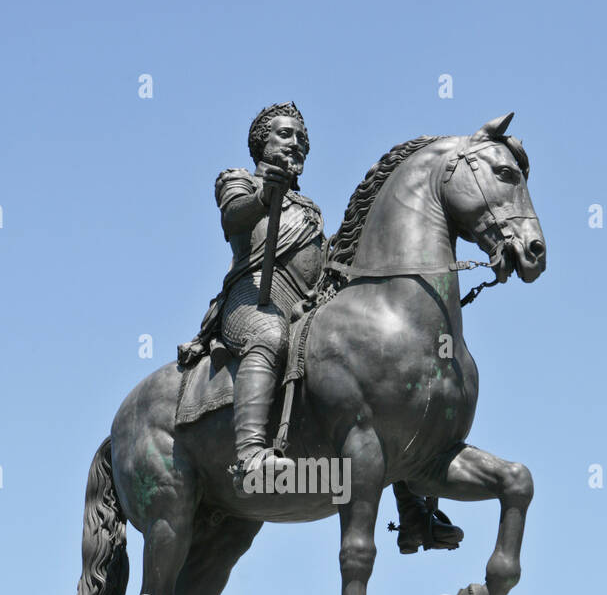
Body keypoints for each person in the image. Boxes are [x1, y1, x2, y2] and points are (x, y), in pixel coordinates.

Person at [178, 102, 464, 540]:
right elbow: (234, 216)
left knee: (373, 373)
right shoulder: (238, 180)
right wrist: (262, 197)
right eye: (285, 135)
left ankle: (412, 511)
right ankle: (252, 455)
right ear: (262, 142)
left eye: (300, 139)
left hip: (302, 307)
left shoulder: (309, 209)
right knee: (269, 338)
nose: (296, 144)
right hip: (252, 300)